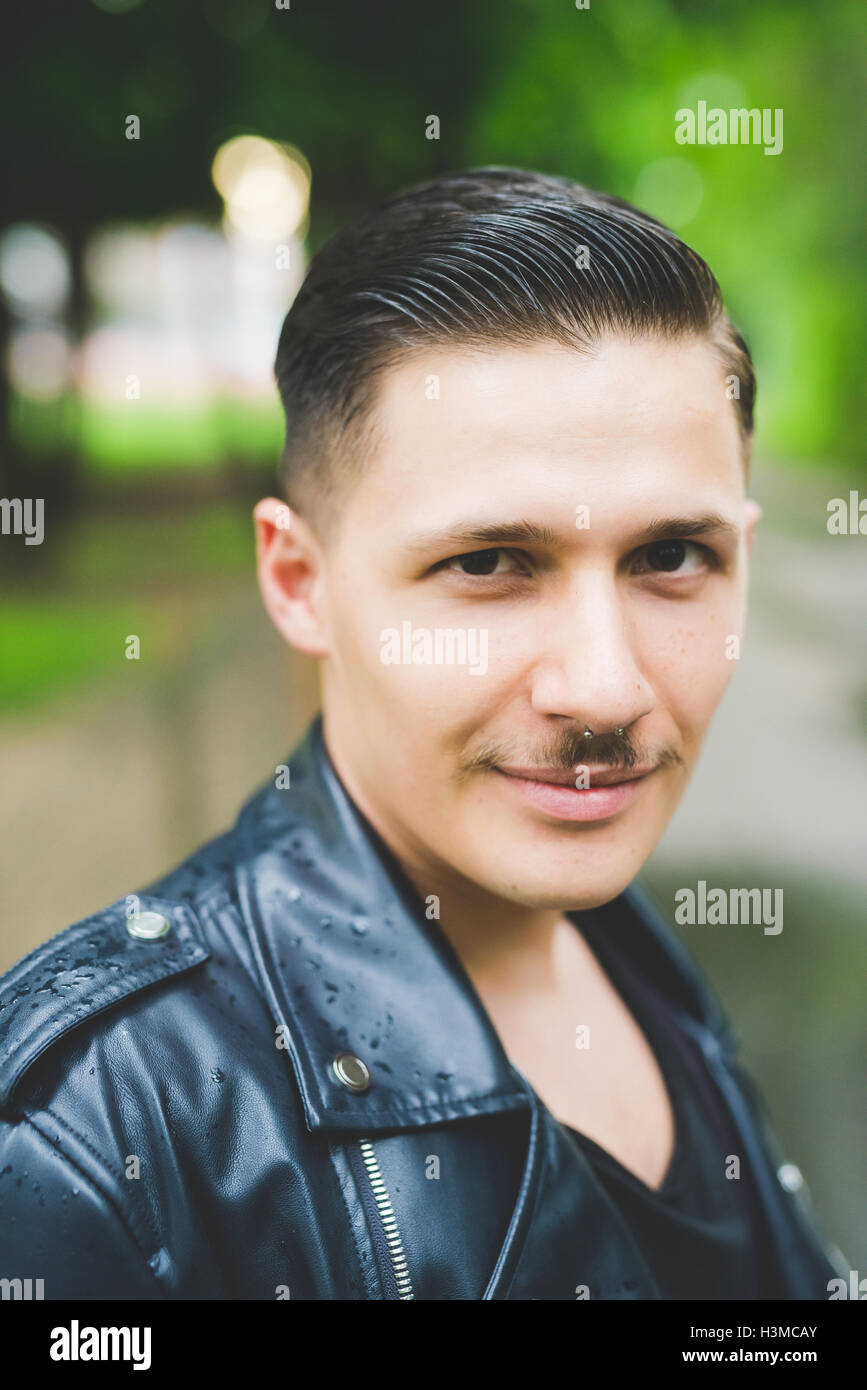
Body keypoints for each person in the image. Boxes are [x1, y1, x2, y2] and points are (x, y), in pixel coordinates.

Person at [0, 168, 847, 1300]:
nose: (604, 689)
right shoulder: (98, 1138)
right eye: (490, 563)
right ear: (300, 582)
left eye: (671, 558)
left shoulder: (630, 951)